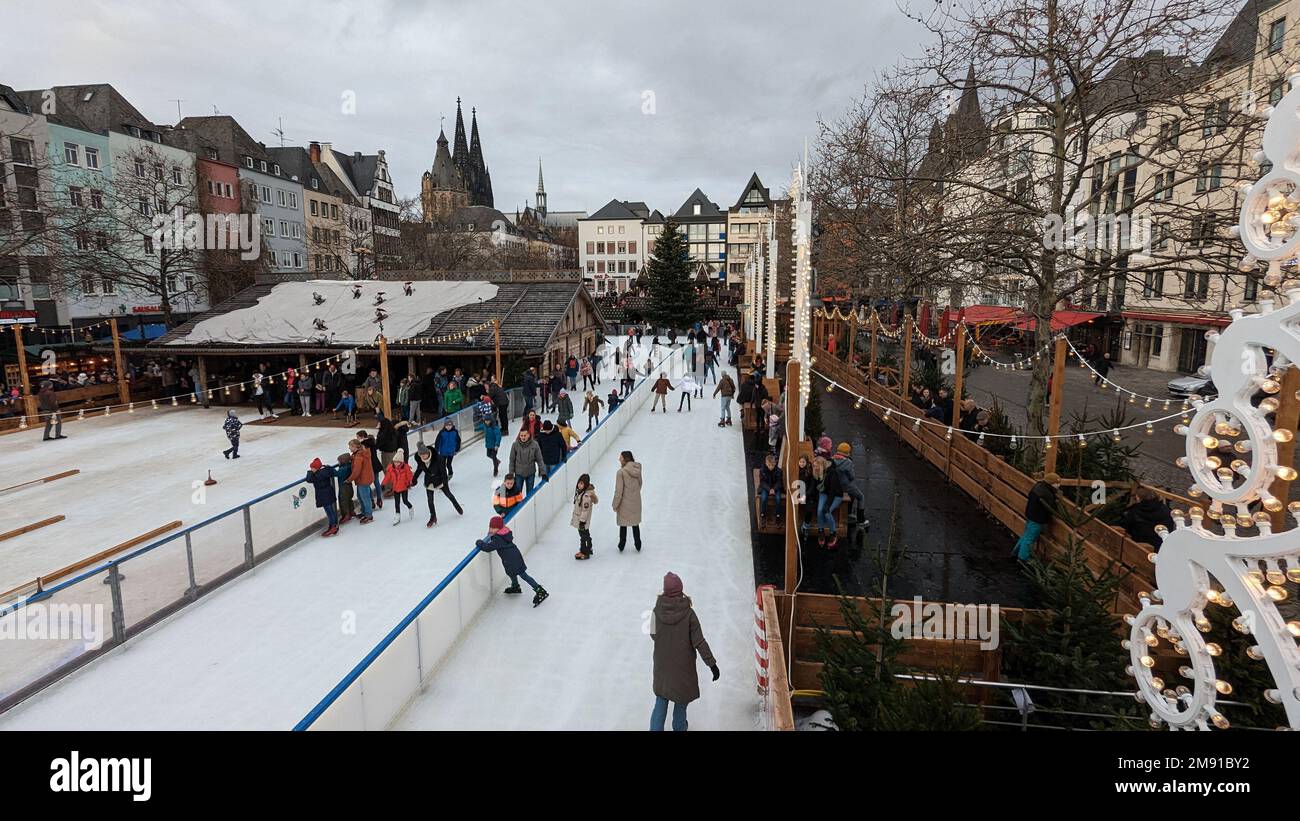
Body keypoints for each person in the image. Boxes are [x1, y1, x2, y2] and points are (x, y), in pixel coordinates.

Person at [649, 572, 718, 732]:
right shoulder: (689, 614)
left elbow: (653, 634)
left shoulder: (656, 610)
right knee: (681, 702)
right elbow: (699, 642)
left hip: (662, 666)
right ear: (681, 590)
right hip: (682, 669)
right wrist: (712, 664)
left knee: (661, 698)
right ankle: (680, 728)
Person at [476, 516, 548, 606]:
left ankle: (540, 591)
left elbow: (488, 548)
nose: (491, 529)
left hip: (511, 559)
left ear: (498, 528)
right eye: (490, 527)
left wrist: (479, 542)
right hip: (513, 556)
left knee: (523, 575)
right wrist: (492, 533)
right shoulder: (504, 533)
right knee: (511, 573)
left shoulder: (498, 538)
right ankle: (515, 586)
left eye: (493, 528)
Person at [412, 445, 463, 527]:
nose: (423, 456)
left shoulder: (438, 459)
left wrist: (445, 482)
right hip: (429, 481)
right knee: (430, 500)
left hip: (439, 479)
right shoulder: (420, 460)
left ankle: (457, 506)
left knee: (448, 495)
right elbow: (419, 469)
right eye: (421, 455)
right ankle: (433, 517)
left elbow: (443, 471)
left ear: (428, 452)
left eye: (424, 454)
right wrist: (414, 479)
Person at [1015, 472, 1060, 560]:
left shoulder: (1038, 486)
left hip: (1030, 515)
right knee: (1029, 539)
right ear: (1051, 483)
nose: (1058, 485)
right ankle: (1022, 559)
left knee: (1026, 536)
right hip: (1037, 519)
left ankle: (1016, 553)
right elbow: (1051, 508)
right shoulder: (1047, 494)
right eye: (1057, 483)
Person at [612, 450, 643, 552]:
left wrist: (615, 505)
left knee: (623, 524)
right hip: (636, 501)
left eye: (620, 457)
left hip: (624, 503)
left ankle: (621, 545)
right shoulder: (637, 469)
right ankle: (638, 544)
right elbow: (640, 484)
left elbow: (618, 491)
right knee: (635, 524)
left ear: (625, 459)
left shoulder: (621, 472)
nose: (619, 459)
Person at [508, 428, 547, 494]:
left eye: (525, 435)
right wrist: (511, 474)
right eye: (521, 436)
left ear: (528, 435)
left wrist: (543, 472)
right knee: (517, 493)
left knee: (530, 493)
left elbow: (539, 459)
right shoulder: (515, 445)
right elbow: (512, 460)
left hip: (530, 473)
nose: (523, 437)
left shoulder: (535, 444)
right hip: (519, 473)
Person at [306, 458, 339, 536]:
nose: (311, 469)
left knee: (329, 512)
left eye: (312, 468)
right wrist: (326, 467)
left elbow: (308, 479)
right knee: (331, 510)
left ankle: (333, 527)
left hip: (323, 495)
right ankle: (333, 525)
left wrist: (310, 472)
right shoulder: (325, 471)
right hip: (329, 492)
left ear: (317, 468)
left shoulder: (318, 475)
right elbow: (333, 471)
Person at [347, 438, 376, 524]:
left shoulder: (359, 456)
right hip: (366, 477)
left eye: (350, 447)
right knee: (361, 496)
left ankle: (369, 515)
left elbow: (356, 471)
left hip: (363, 479)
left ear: (354, 446)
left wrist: (349, 479)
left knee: (364, 497)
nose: (349, 448)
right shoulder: (362, 452)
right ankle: (365, 512)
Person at [571, 473, 599, 560]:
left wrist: (582, 521)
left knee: (583, 536)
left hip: (582, 520)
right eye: (579, 483)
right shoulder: (580, 492)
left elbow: (585, 510)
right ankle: (589, 547)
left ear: (586, 484)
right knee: (584, 534)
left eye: (582, 483)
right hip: (580, 518)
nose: (579, 485)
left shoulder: (586, 496)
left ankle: (585, 551)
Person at [383, 455, 415, 524]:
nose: (396, 463)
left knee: (405, 501)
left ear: (401, 462)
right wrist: (383, 484)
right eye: (395, 462)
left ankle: (410, 507)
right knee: (396, 503)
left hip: (404, 487)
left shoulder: (405, 468)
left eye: (398, 462)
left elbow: (410, 476)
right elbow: (387, 477)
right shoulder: (391, 468)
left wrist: (412, 481)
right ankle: (397, 515)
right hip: (396, 488)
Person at [476, 396, 503, 476]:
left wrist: (497, 444)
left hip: (494, 445)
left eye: (488, 421)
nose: (487, 422)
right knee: (488, 455)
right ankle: (497, 461)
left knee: (493, 457)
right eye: (486, 421)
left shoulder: (495, 427)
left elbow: (498, 436)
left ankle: (495, 469)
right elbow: (480, 427)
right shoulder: (484, 425)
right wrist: (475, 429)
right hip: (488, 444)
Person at [758, 452, 784, 526]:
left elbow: (779, 482)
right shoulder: (762, 470)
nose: (771, 467)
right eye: (769, 465)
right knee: (763, 498)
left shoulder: (779, 471)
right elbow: (762, 482)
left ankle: (777, 516)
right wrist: (769, 489)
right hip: (766, 488)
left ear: (775, 464)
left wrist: (773, 489)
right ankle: (763, 515)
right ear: (766, 464)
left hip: (776, 488)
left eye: (772, 465)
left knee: (778, 499)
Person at [335, 453, 355, 525]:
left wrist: (330, 470)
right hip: (349, 486)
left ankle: (346, 515)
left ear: (343, 461)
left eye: (339, 461)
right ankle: (351, 511)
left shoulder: (343, 469)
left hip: (343, 487)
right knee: (349, 499)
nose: (338, 463)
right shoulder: (349, 466)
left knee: (343, 500)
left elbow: (337, 474)